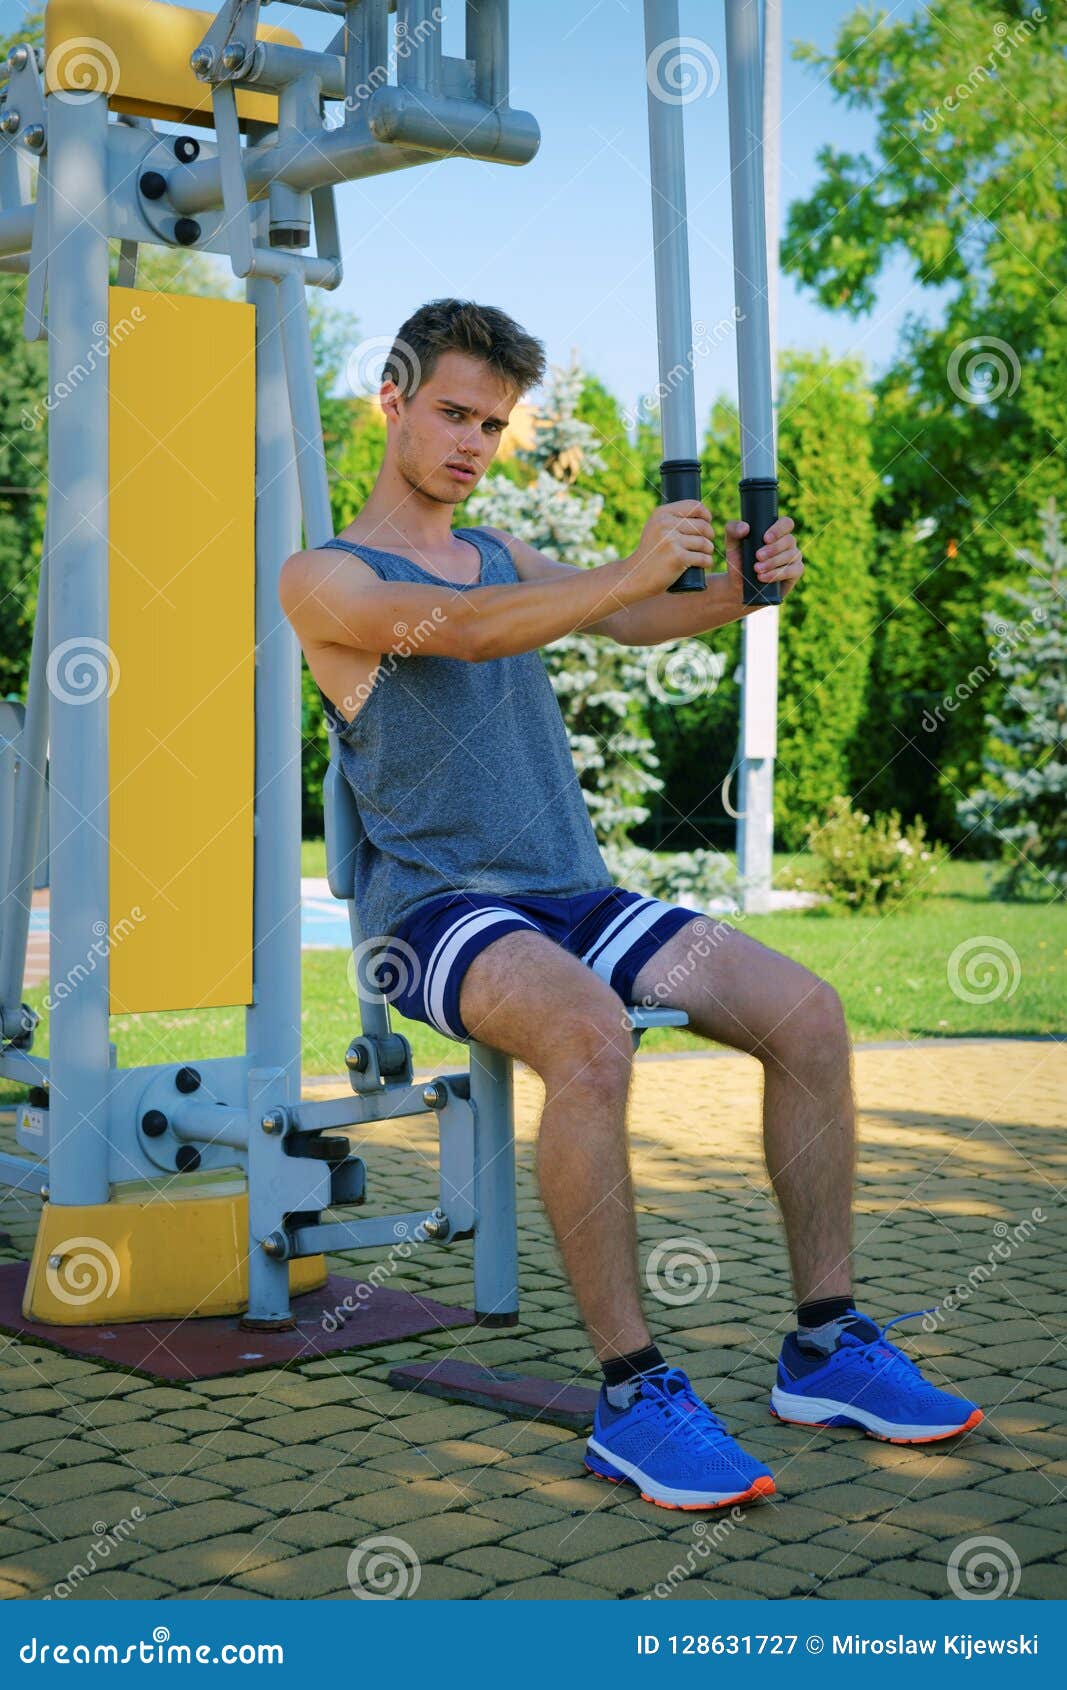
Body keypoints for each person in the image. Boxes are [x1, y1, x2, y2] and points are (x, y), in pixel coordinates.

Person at [279, 298, 982, 1512]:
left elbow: (637, 615)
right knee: (590, 1039)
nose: (470, 442)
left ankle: (825, 1343)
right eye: (450, 412)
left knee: (806, 1014)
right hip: (437, 911)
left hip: (576, 890)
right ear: (389, 400)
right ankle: (633, 1393)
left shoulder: (501, 550)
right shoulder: (326, 576)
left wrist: (738, 590)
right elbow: (474, 636)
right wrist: (628, 565)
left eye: (491, 425)